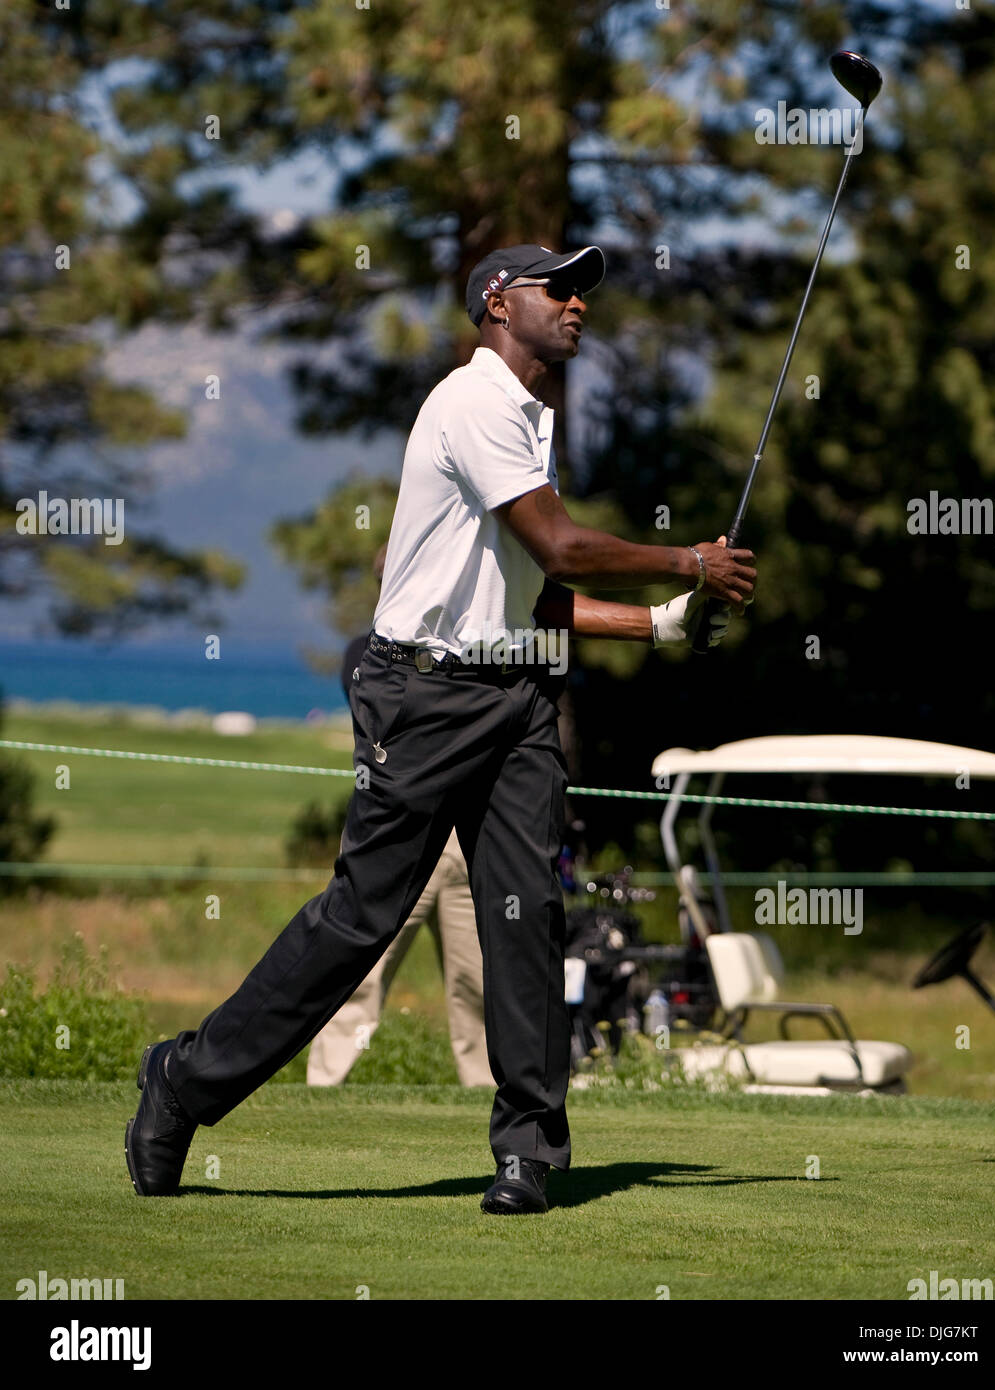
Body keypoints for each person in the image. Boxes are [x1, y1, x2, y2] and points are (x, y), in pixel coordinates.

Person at [125, 242, 756, 1215]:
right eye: (561, 286)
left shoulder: (529, 418)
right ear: (499, 303)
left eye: (584, 288)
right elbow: (561, 544)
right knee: (356, 923)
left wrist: (656, 625)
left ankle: (526, 1152)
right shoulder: (471, 404)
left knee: (526, 915)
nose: (579, 302)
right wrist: (688, 565)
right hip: (419, 701)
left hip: (515, 697)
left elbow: (531, 595)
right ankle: (182, 1081)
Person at [307, 546, 491, 1088]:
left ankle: (487, 1095)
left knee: (478, 980)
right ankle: (325, 1086)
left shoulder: (476, 645)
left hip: (467, 841)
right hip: (399, 836)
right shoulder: (367, 655)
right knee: (359, 970)